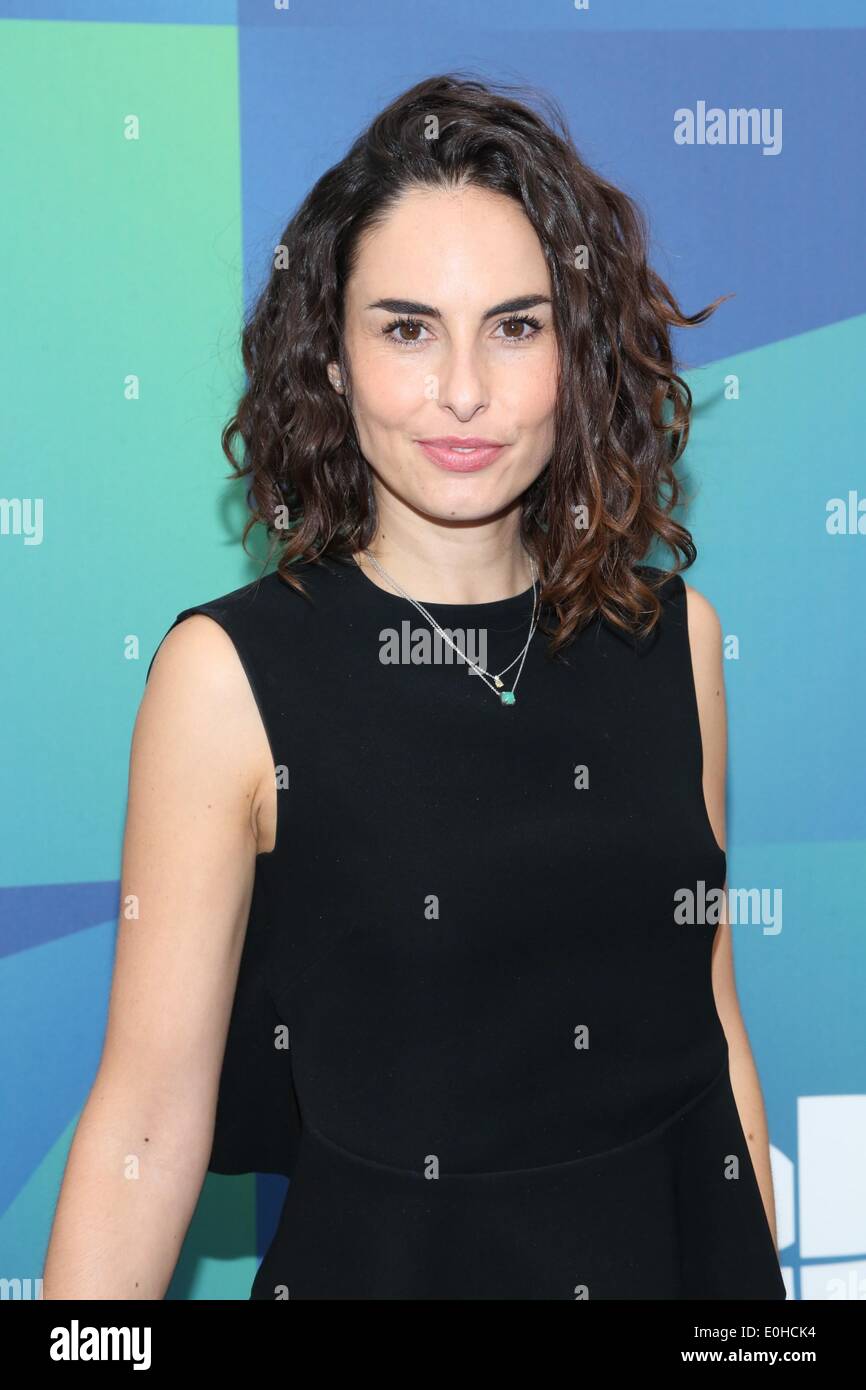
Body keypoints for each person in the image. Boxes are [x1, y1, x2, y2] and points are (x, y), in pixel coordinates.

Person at [42, 72, 786, 1300]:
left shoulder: (673, 641)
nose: (461, 392)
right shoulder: (230, 676)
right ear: (330, 360)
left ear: (576, 351)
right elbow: (144, 1124)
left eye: (514, 325)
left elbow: (709, 1035)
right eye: (404, 329)